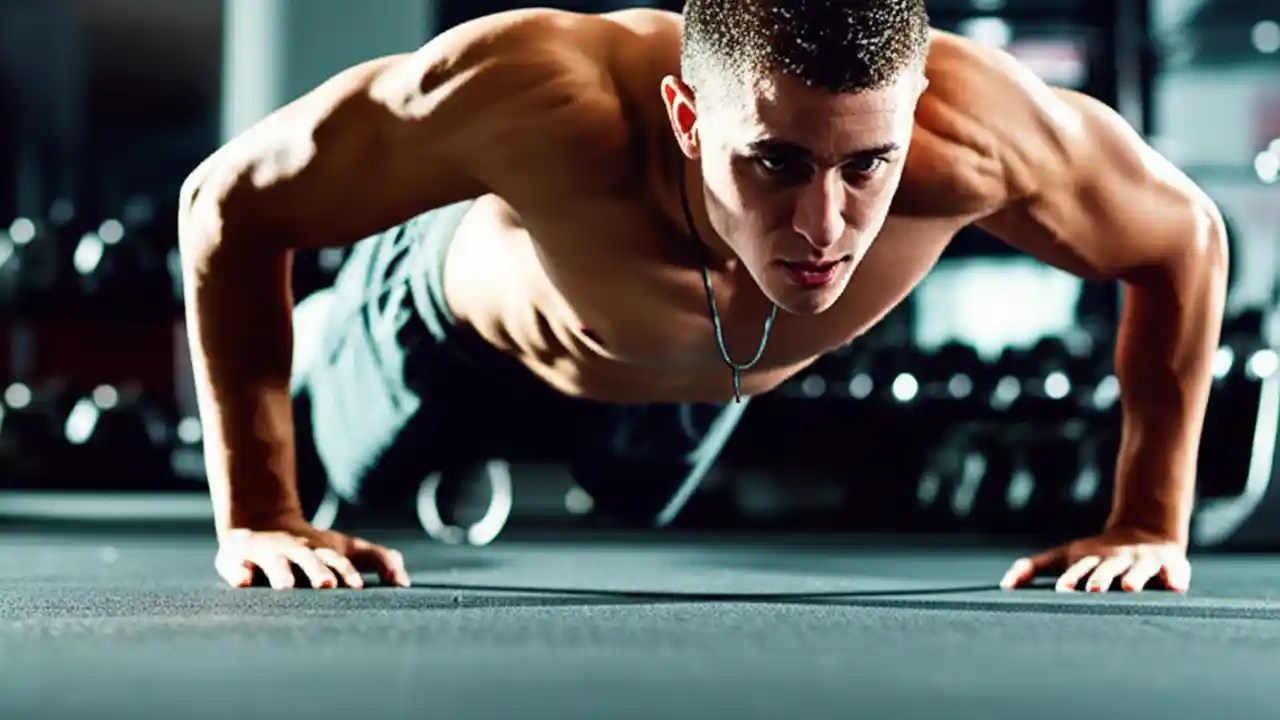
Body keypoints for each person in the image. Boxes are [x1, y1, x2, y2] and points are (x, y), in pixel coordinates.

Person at [177, 1, 1227, 593]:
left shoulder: (987, 141)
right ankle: (324, 332)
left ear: (912, 108)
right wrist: (261, 515)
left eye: (867, 165)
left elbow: (1182, 241)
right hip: (449, 351)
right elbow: (223, 204)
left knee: (641, 499)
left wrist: (1145, 523)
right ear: (686, 115)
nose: (824, 228)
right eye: (772, 160)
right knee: (344, 463)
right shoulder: (535, 95)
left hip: (689, 404)